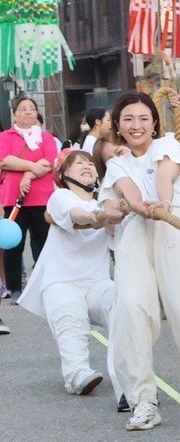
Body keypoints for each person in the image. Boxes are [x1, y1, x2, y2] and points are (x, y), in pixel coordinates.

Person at [102, 92, 180, 431]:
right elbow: (126, 188)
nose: (136, 125)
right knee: (131, 308)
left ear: (154, 122)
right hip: (135, 231)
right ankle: (143, 399)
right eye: (128, 119)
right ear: (117, 125)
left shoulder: (168, 145)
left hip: (175, 225)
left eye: (143, 118)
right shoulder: (116, 162)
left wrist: (161, 203)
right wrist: (139, 206)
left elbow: (165, 176)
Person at [17, 149, 118, 396]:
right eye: (77, 163)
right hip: (61, 283)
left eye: (90, 163)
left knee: (122, 305)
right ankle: (77, 374)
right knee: (71, 320)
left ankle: (126, 371)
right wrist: (98, 217)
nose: (86, 166)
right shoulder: (60, 197)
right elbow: (78, 215)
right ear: (62, 174)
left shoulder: (106, 202)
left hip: (98, 283)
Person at [0, 95, 59, 292]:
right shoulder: (5, 137)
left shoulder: (46, 137)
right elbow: (5, 161)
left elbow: (49, 162)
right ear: (14, 114)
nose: (28, 111)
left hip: (41, 198)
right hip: (13, 199)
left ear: (37, 113)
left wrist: (27, 174)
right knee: (13, 246)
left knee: (44, 243)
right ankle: (14, 288)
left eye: (32, 108)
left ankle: (46, 285)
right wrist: (33, 167)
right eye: (23, 108)